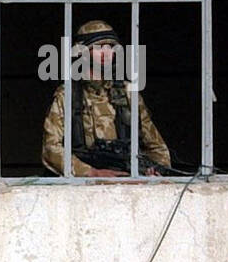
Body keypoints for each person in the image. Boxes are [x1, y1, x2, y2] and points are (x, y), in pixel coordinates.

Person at [40, 20, 171, 177]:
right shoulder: (67, 95)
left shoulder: (128, 92)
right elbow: (51, 148)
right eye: (98, 47)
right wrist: (89, 172)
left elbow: (157, 147)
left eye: (110, 47)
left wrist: (157, 170)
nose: (106, 53)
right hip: (81, 187)